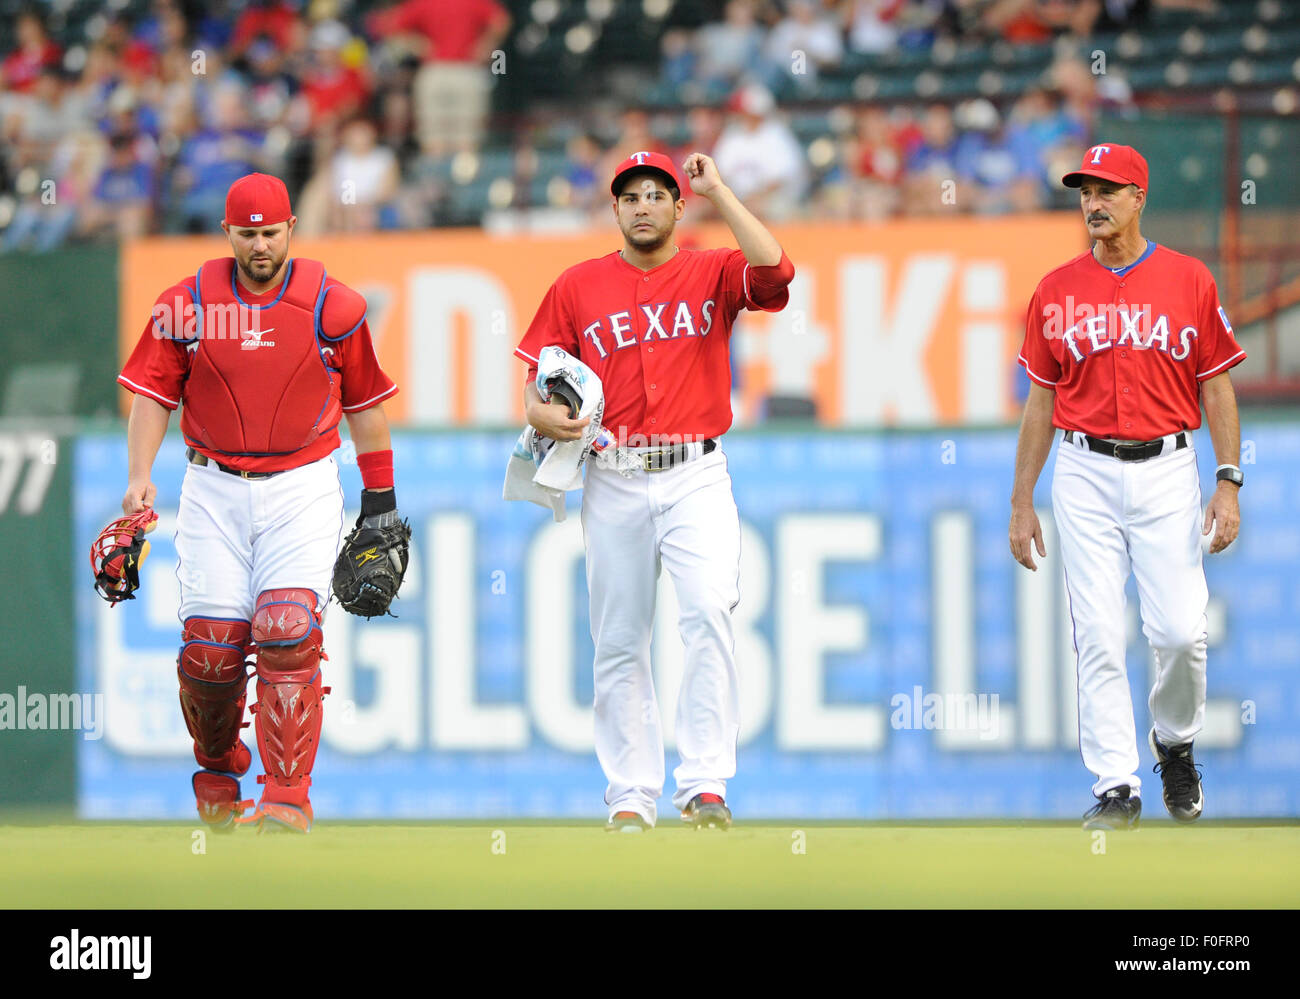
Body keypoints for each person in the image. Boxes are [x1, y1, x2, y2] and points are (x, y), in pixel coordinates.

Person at [514, 151, 795, 832]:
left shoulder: (713, 269)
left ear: (678, 206)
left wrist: (721, 190)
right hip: (613, 475)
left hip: (696, 469)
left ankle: (704, 783)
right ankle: (631, 793)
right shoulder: (577, 285)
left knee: (707, 612)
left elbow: (777, 272)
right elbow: (537, 380)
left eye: (657, 193)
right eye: (631, 195)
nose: (643, 204)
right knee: (618, 639)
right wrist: (536, 412)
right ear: (616, 210)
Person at [116, 173, 401, 833]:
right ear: (227, 234)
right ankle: (217, 762)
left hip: (302, 483)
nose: (261, 245)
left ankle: (285, 798)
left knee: (288, 629)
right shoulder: (186, 305)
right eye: (247, 234)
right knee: (210, 652)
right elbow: (154, 394)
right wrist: (138, 475)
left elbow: (365, 405)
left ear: (291, 228)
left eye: (271, 231)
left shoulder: (333, 306)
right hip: (212, 485)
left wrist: (380, 499)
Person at [1008, 143, 1246, 830]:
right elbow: (1041, 400)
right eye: (1085, 191)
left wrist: (1228, 480)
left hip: (1168, 463)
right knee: (1099, 634)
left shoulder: (1188, 278)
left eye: (1108, 189)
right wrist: (1023, 498)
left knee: (1177, 630)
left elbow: (1216, 382)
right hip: (1083, 468)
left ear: (1139, 196)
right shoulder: (1055, 289)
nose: (1094, 202)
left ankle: (1173, 741)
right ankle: (1116, 784)